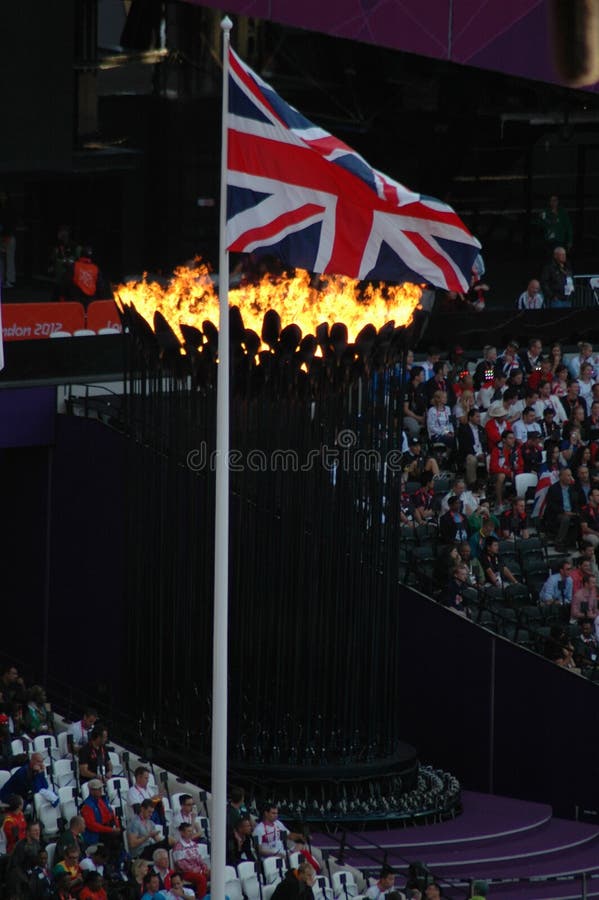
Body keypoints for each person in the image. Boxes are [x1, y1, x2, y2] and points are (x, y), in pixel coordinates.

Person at [80, 780, 122, 858]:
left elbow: (112, 814)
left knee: (122, 834)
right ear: (91, 791)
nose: (100, 790)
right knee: (113, 841)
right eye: (97, 789)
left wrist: (117, 826)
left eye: (100, 788)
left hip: (107, 829)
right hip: (97, 834)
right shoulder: (87, 806)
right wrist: (111, 830)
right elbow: (92, 826)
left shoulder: (103, 800)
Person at [543, 467, 579, 552]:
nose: (570, 478)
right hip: (558, 514)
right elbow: (551, 505)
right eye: (568, 475)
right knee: (565, 519)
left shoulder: (573, 488)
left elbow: (576, 503)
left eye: (571, 475)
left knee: (582, 518)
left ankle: (575, 542)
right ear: (561, 477)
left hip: (572, 512)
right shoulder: (553, 489)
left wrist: (575, 512)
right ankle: (559, 542)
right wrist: (564, 512)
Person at [171, 823, 209, 898]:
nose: (191, 833)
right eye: (188, 831)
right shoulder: (178, 846)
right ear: (182, 833)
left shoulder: (194, 844)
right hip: (186, 873)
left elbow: (199, 858)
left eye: (192, 831)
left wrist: (204, 867)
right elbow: (181, 864)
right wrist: (197, 870)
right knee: (201, 879)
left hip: (198, 871)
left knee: (214, 874)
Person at [457, 409, 487, 486]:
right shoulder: (463, 429)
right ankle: (473, 485)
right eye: (477, 417)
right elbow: (464, 446)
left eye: (479, 417)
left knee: (491, 458)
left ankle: (488, 485)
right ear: (470, 418)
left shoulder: (481, 429)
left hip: (482, 454)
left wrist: (484, 453)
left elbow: (485, 444)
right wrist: (477, 455)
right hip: (470, 454)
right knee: (472, 459)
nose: (479, 419)